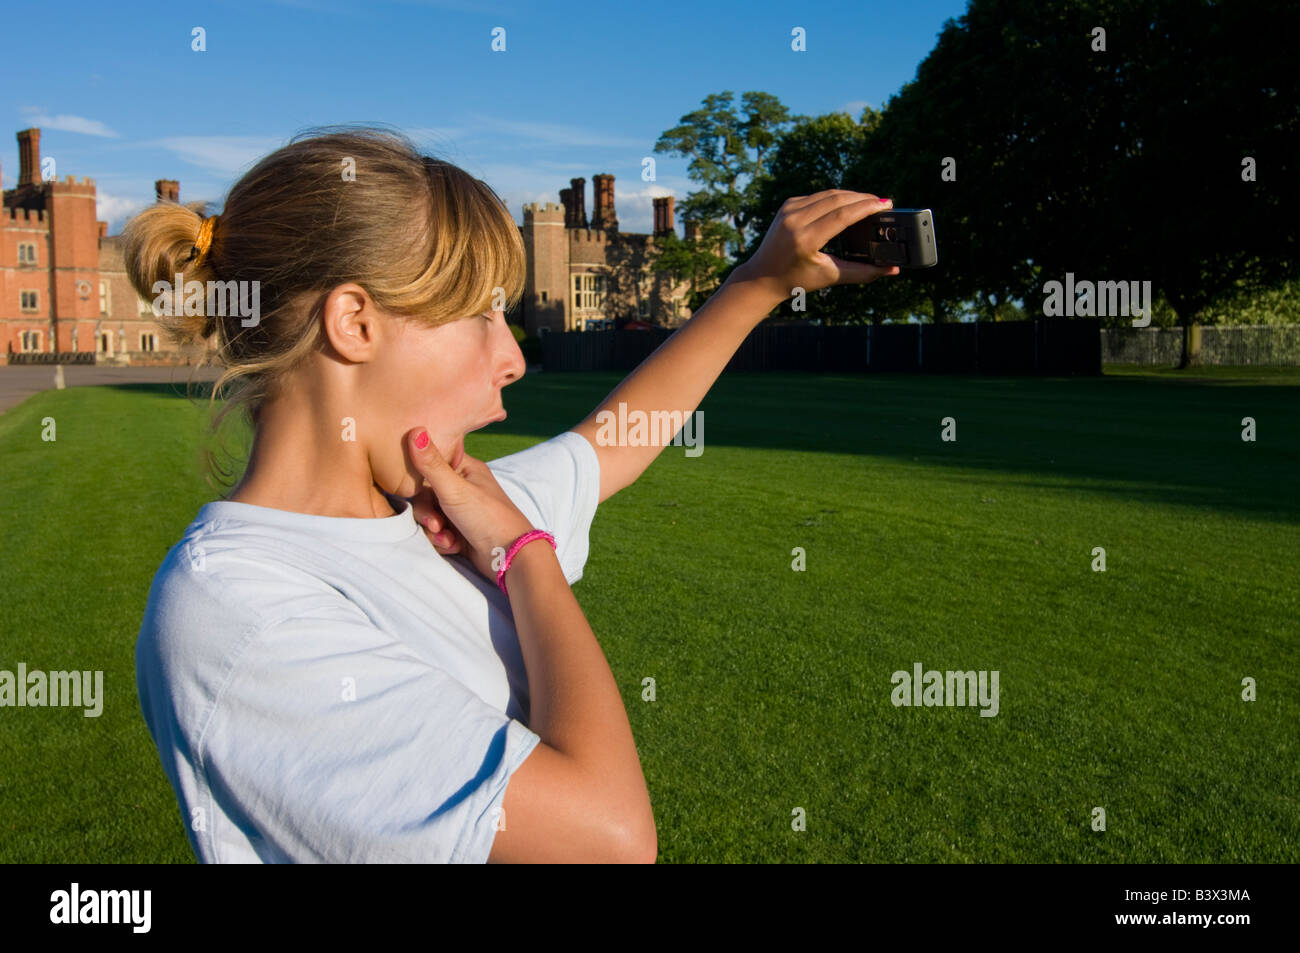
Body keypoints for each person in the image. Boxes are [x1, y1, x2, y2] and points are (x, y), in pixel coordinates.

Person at [127, 124, 899, 863]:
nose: (512, 357)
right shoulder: (238, 612)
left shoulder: (443, 511)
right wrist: (525, 558)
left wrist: (760, 280)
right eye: (478, 312)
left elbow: (614, 444)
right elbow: (611, 837)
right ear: (355, 322)